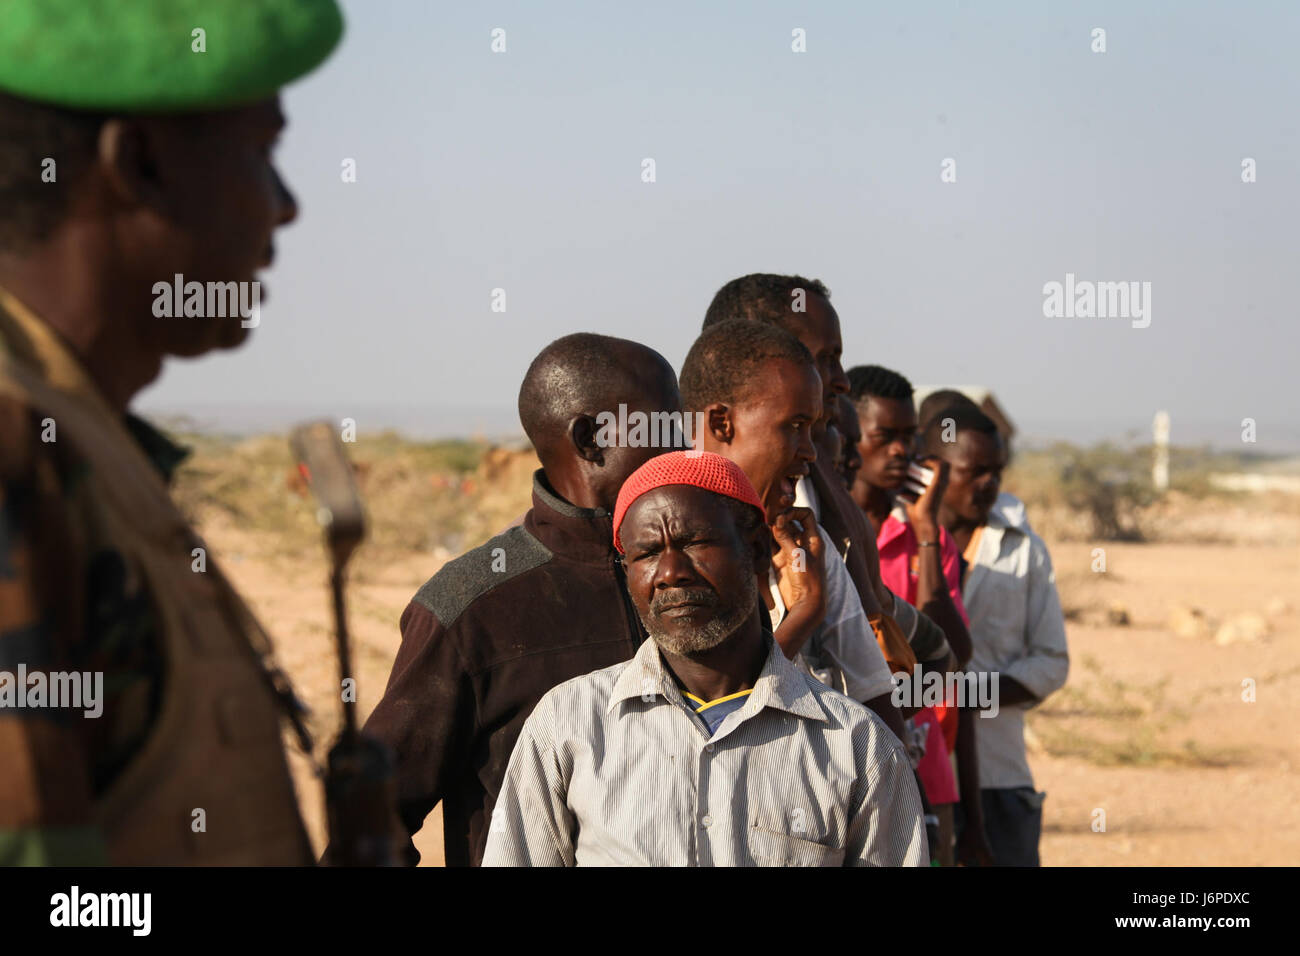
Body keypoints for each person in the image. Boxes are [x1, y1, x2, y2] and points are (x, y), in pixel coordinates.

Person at [0, 0, 343, 865]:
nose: (290, 207)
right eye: (263, 153)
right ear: (141, 164)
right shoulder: (15, 448)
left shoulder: (85, 441)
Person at [483, 451, 927, 867]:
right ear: (627, 572)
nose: (672, 572)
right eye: (647, 553)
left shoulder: (857, 745)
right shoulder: (568, 724)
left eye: (696, 542)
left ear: (755, 550)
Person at [362, 333, 686, 866]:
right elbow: (374, 820)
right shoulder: (470, 606)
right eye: (663, 426)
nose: (682, 448)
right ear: (591, 439)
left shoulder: (693, 572)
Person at [679, 320, 906, 742]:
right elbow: (712, 716)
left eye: (813, 428)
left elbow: (872, 688)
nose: (810, 451)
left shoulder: (802, 541)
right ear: (722, 424)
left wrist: (909, 799)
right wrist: (804, 615)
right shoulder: (665, 551)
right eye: (794, 426)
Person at [702, 273, 938, 677]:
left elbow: (885, 671)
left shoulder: (816, 486)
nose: (842, 380)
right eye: (826, 358)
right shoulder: (678, 518)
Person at [846, 364, 992, 865]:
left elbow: (957, 656)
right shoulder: (821, 536)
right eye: (884, 436)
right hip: (846, 766)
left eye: (908, 438)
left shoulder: (926, 537)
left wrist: (927, 530)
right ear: (848, 434)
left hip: (928, 766)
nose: (900, 451)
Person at [925, 404, 1069, 866]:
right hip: (919, 770)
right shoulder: (893, 545)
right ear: (934, 470)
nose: (989, 483)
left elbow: (1051, 662)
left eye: (996, 471)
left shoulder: (1025, 549)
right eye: (975, 471)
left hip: (998, 774)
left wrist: (966, 695)